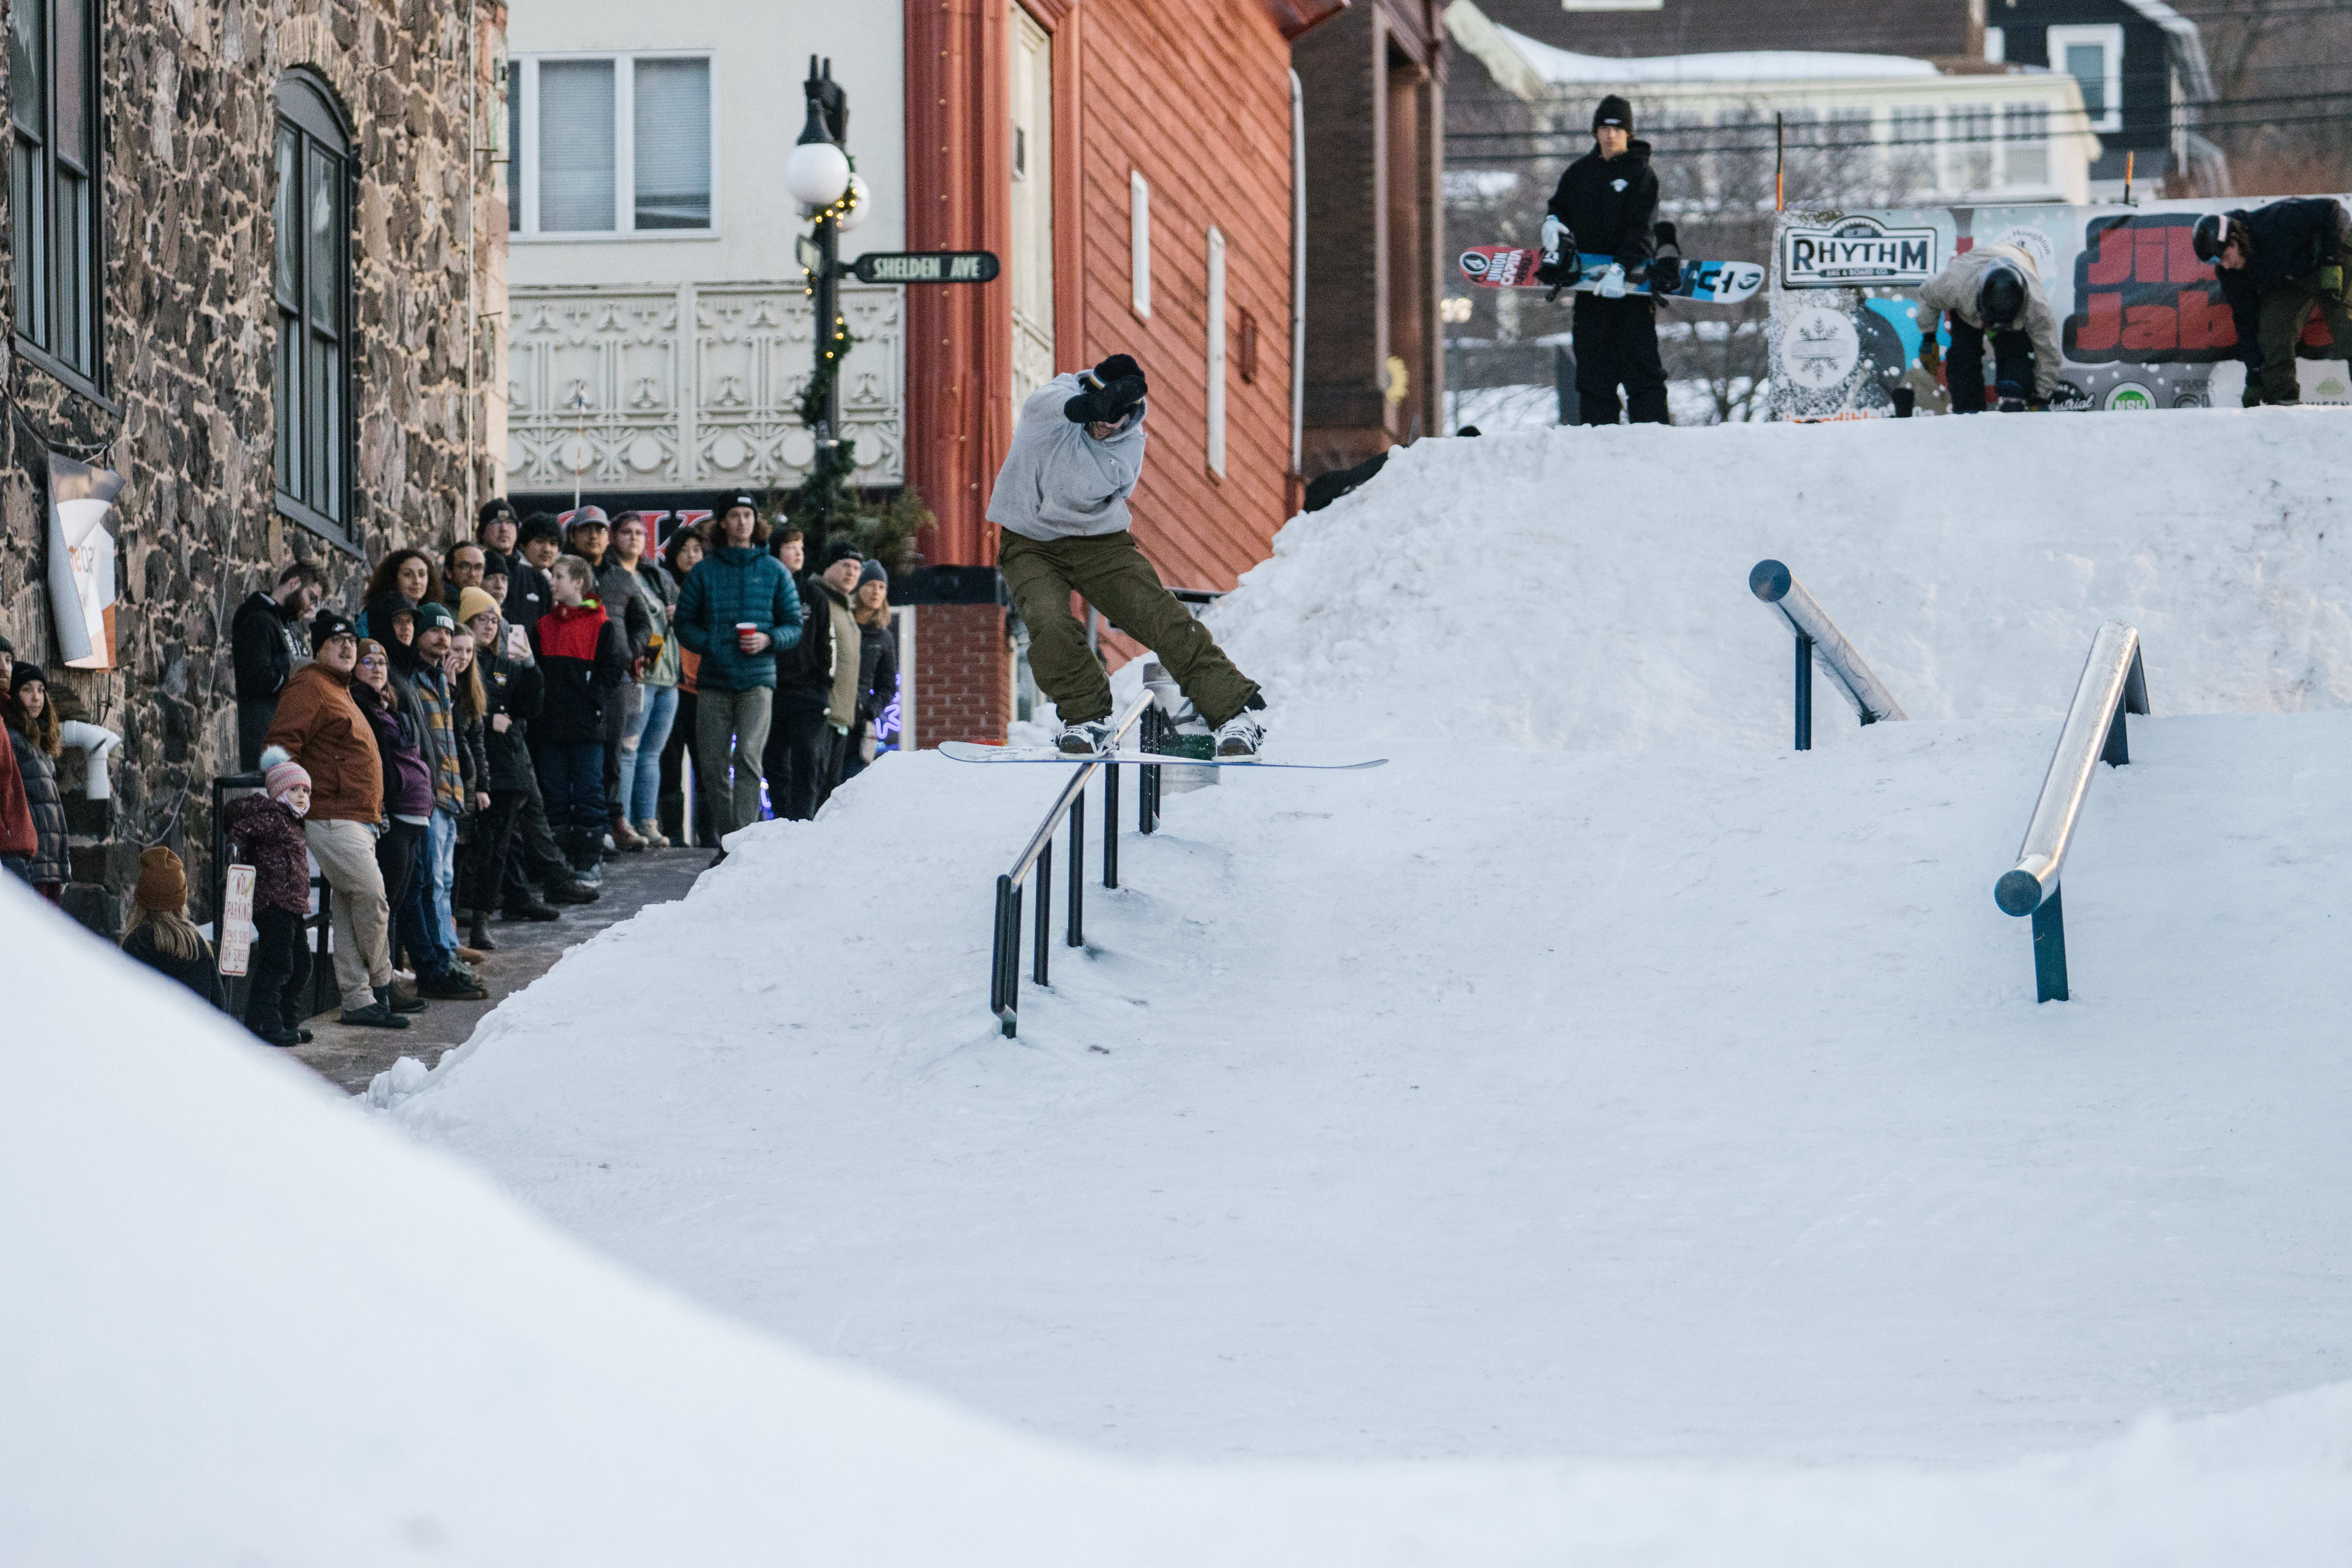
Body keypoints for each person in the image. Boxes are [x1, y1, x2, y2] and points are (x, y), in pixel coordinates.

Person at [986, 353, 1266, 756]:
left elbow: (1106, 490)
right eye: (1100, 414)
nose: (1104, 425)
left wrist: (1108, 414)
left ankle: (1234, 715)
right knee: (1048, 622)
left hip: (1098, 543)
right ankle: (1087, 717)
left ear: (1130, 415)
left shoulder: (1130, 447)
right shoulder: (1049, 404)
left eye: (1114, 419)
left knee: (1161, 619)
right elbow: (1059, 407)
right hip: (1029, 541)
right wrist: (1090, 407)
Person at [262, 610, 407, 1030]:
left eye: (351, 642)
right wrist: (289, 798)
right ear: (318, 648)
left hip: (356, 817)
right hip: (331, 815)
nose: (347, 647)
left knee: (347, 909)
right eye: (336, 641)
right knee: (372, 897)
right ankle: (383, 981)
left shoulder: (338, 688)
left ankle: (358, 1001)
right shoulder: (310, 685)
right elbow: (280, 744)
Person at [674, 496, 802, 856]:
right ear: (723, 523)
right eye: (735, 515)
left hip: (758, 679)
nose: (742, 522)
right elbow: (684, 624)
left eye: (748, 515)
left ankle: (741, 843)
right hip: (714, 680)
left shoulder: (774, 570)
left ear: (756, 522)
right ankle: (731, 841)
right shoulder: (704, 571)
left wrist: (769, 639)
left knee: (747, 757)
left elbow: (794, 625)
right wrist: (711, 644)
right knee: (713, 766)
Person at [1540, 95, 1668, 426]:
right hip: (1590, 292)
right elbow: (1559, 207)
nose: (1611, 135)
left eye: (1618, 129)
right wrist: (1552, 223)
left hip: (1632, 291)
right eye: (1604, 128)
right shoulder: (1579, 174)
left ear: (1628, 133)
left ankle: (1654, 442)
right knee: (1593, 375)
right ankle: (1599, 445)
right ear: (1595, 132)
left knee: (1643, 374)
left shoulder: (1641, 174)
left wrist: (1620, 269)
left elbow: (1642, 230)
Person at [390, 599, 481, 1000]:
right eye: (435, 630)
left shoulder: (441, 679)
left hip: (447, 793)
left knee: (441, 879)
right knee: (429, 882)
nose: (443, 637)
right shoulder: (410, 678)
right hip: (426, 795)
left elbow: (451, 740)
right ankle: (437, 958)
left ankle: (444, 954)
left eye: (448, 631)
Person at [2196, 200, 2352, 409]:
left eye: (2223, 257)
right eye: (2217, 263)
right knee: (2273, 333)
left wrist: (2331, 260)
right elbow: (2246, 322)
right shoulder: (2230, 274)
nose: (2225, 265)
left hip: (2331, 251)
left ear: (2235, 239)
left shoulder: (2277, 222)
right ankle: (2283, 405)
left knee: (2345, 328)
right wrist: (2254, 375)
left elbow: (2331, 209)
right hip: (2290, 275)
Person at [530, 555, 629, 881]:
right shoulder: (544, 626)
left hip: (586, 725)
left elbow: (613, 668)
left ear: (578, 583)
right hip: (549, 725)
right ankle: (558, 866)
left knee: (589, 792)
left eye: (559, 576)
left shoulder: (601, 624)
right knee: (554, 794)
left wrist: (593, 698)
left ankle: (588, 861)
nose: (552, 581)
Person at [351, 636, 437, 1010]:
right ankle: (380, 987)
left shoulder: (388, 704)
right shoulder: (361, 704)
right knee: (384, 904)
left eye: (382, 663)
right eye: (368, 663)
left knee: (396, 901)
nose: (377, 669)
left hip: (415, 814)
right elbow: (379, 762)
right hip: (395, 816)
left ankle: (387, 979)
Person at [459, 588, 548, 929]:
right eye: (481, 619)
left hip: (505, 765)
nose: (489, 626)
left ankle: (484, 916)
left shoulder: (504, 661)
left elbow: (530, 706)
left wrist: (529, 665)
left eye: (494, 621)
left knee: (500, 845)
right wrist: (486, 719)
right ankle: (466, 908)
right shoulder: (462, 658)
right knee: (473, 845)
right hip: (471, 764)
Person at [569, 507, 653, 851]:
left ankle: (614, 820)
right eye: (586, 530)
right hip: (572, 675)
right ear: (572, 535)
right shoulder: (563, 571)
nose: (594, 536)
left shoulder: (621, 577)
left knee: (612, 751)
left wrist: (631, 651)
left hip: (615, 678)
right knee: (576, 750)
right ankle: (584, 824)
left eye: (600, 530)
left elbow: (644, 624)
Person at [225, 748, 316, 1046]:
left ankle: (287, 1020)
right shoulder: (272, 817)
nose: (302, 796)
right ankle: (265, 1021)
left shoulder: (293, 821)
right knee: (277, 962)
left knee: (301, 964)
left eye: (305, 790)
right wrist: (235, 852)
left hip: (292, 904)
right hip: (272, 901)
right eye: (294, 790)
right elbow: (240, 829)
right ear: (279, 793)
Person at [1915, 241, 2061, 413]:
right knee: (1963, 359)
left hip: (2012, 309)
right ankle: (1967, 413)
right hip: (1969, 308)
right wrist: (1928, 337)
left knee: (2015, 357)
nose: (1993, 327)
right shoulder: (1956, 285)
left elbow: (2048, 351)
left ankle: (2014, 402)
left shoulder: (2036, 306)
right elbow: (1928, 296)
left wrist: (2041, 396)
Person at [619, 514, 684, 848]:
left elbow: (664, 627)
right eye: (626, 532)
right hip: (638, 676)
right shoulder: (614, 576)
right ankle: (624, 822)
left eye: (639, 533)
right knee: (628, 750)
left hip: (668, 676)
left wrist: (676, 613)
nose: (633, 538)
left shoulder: (654, 574)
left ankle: (647, 821)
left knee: (652, 753)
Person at [230, 560, 327, 769]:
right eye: (312, 597)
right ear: (294, 584)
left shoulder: (290, 626)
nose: (312, 607)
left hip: (288, 741)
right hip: (264, 742)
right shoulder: (258, 620)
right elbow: (256, 678)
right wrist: (297, 679)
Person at [765, 527, 833, 820]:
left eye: (801, 547)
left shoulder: (814, 596)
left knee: (808, 757)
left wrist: (823, 687)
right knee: (774, 761)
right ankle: (782, 819)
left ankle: (804, 819)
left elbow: (825, 644)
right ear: (776, 551)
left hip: (808, 692)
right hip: (771, 689)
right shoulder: (764, 591)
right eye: (791, 546)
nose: (798, 552)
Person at [119, 846, 226, 1008]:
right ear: (181, 901)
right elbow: (219, 1006)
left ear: (142, 900)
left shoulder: (135, 943)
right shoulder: (197, 945)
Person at [444, 622, 494, 958]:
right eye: (456, 650)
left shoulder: (471, 688)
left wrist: (483, 787)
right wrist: (447, 686)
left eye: (468, 651)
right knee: (443, 867)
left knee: (459, 864)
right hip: (447, 785)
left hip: (469, 785)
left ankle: (452, 936)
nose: (462, 657)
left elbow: (477, 742)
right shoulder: (441, 684)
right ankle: (445, 937)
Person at [657, 526, 707, 846]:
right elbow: (651, 633)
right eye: (684, 550)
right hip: (672, 685)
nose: (691, 556)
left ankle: (711, 834)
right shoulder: (663, 587)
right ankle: (674, 833)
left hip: (706, 688)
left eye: (697, 549)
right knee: (669, 764)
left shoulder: (710, 588)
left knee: (708, 765)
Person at [6, 666, 67, 903]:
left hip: (49, 863)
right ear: (14, 696)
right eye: (27, 689)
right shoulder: (13, 739)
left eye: (41, 690)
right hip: (31, 862)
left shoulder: (38, 745)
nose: (36, 698)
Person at [845, 558, 899, 782]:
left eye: (882, 587)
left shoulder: (884, 637)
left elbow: (887, 686)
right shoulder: (843, 623)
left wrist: (871, 710)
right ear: (858, 588)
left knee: (851, 782)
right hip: (832, 714)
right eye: (870, 585)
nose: (876, 592)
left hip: (860, 724)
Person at [358, 549, 443, 641]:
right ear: (393, 578)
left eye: (422, 574)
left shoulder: (434, 615)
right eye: (408, 574)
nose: (417, 581)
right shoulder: (373, 614)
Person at [505, 515, 563, 634]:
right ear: (522, 545)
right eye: (540, 541)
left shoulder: (551, 578)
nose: (547, 549)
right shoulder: (510, 573)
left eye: (553, 544)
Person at [443, 541, 488, 606]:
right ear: (449, 572)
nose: (472, 574)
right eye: (465, 567)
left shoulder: (487, 604)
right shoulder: (439, 606)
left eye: (478, 568)